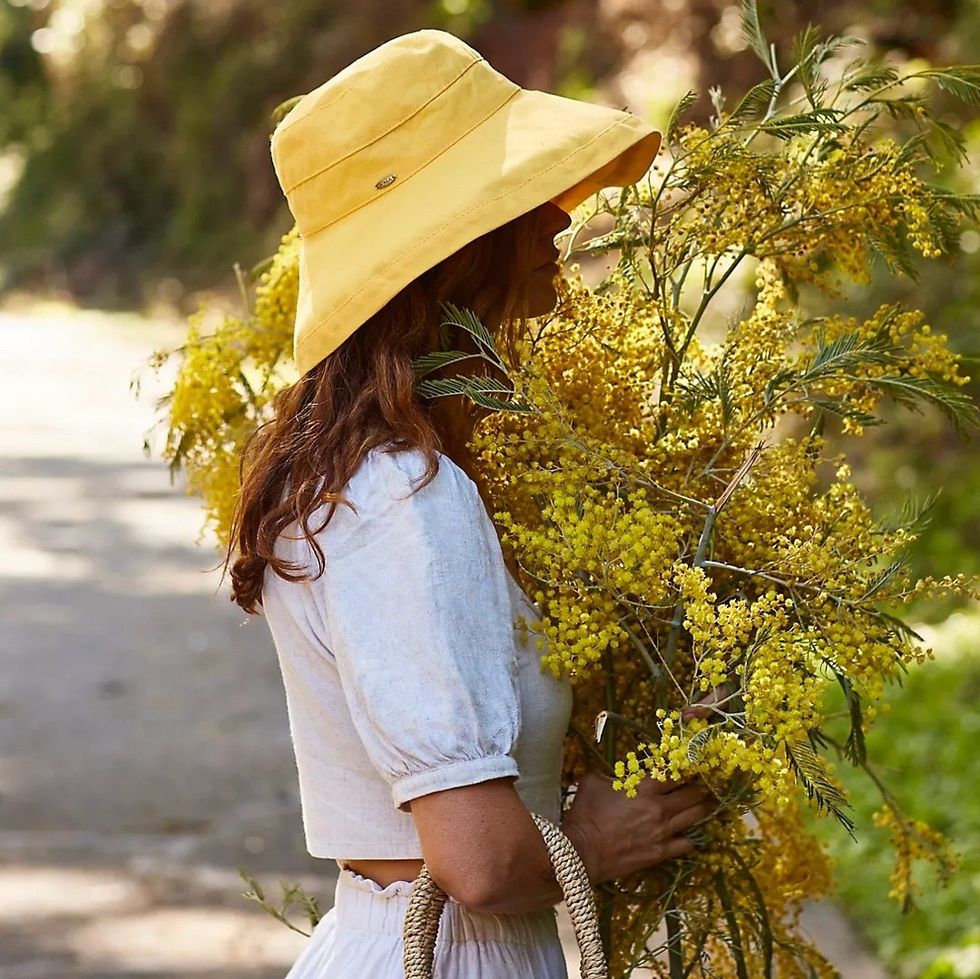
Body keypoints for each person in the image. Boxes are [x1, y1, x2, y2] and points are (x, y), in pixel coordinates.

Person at [224, 28, 718, 979]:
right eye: (523, 200)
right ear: (458, 250)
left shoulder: (368, 471)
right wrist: (602, 841)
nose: (559, 225)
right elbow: (480, 864)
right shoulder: (404, 493)